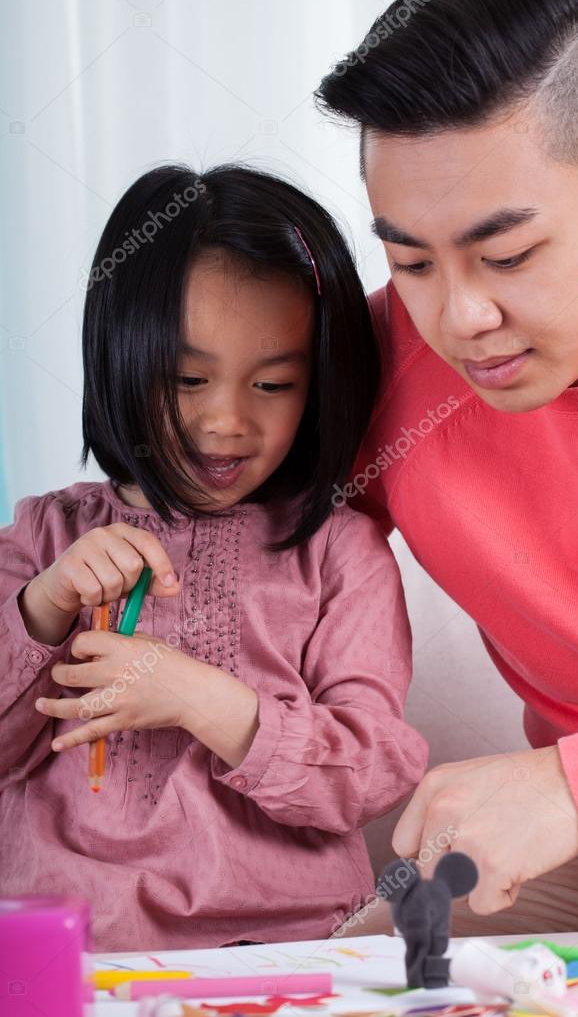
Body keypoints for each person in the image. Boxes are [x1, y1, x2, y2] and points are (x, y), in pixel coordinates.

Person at [316, 0, 578, 937]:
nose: (461, 320)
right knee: (374, 972)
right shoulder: (388, 358)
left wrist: (575, 783)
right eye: (412, 261)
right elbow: (230, 541)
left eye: (507, 254)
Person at [0, 163, 428, 951]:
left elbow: (371, 773)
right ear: (121, 358)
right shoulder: (42, 538)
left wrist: (202, 698)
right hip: (63, 946)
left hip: (287, 942)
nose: (226, 420)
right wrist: (44, 606)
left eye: (273, 383)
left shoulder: (341, 550)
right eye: (187, 378)